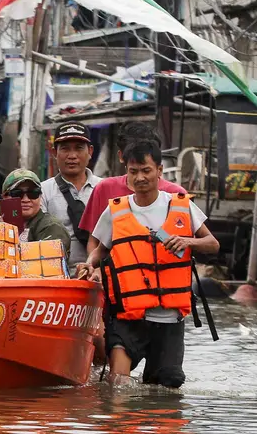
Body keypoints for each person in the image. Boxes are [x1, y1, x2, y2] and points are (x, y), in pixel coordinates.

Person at [76, 140, 219, 388]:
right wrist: (89, 265)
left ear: (159, 171)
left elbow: (213, 243)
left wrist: (187, 241)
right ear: (127, 173)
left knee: (166, 387)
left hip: (169, 318)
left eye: (146, 170)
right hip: (128, 315)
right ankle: (118, 424)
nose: (140, 177)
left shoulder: (182, 206)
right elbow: (99, 250)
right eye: (133, 172)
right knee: (118, 384)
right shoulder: (115, 210)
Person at [77, 123, 186, 246]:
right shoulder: (104, 189)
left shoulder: (177, 195)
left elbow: (196, 241)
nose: (140, 177)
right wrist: (95, 264)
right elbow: (95, 242)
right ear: (121, 156)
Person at [41, 122, 102, 269]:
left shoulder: (103, 188)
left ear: (90, 151)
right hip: (58, 277)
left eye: (79, 148)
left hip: (97, 275)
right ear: (54, 153)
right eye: (65, 149)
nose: (72, 156)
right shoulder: (42, 191)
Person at [3, 168, 71, 258]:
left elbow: (47, 263)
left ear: (40, 196)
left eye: (33, 193)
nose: (26, 200)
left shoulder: (52, 227)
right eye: (17, 194)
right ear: (4, 197)